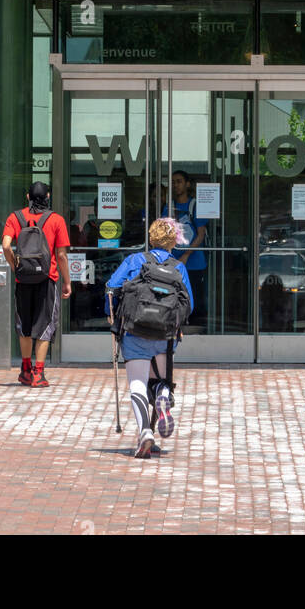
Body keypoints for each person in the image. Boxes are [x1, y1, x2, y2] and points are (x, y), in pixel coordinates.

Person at [105, 217, 193, 459]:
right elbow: (189, 304)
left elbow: (112, 288)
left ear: (151, 237)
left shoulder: (135, 261)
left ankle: (145, 431)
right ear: (173, 241)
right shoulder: (178, 267)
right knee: (159, 382)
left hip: (135, 332)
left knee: (138, 384)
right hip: (165, 336)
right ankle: (164, 396)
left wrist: (111, 318)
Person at [2, 181, 71, 388]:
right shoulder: (56, 219)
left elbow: (6, 245)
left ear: (27, 197)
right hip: (47, 279)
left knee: (24, 323)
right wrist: (67, 282)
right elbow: (61, 256)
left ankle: (25, 370)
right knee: (44, 325)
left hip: (23, 279)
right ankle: (38, 374)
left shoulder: (15, 217)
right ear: (48, 196)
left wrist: (15, 265)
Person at [163, 170, 208, 324]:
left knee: (195, 297)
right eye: (173, 182)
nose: (176, 185)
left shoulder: (195, 205)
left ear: (187, 184)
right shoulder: (169, 207)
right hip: (174, 262)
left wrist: (186, 255)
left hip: (194, 263)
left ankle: (196, 328)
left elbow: (201, 234)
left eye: (179, 181)